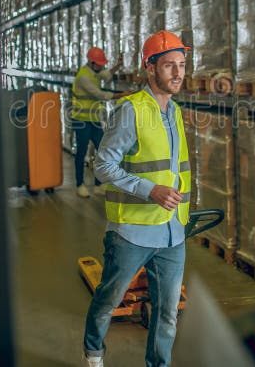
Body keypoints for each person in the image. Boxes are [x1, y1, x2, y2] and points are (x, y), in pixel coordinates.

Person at [83, 30, 191, 367]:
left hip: (172, 231)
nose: (178, 73)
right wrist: (150, 190)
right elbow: (102, 165)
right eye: (169, 66)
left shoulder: (174, 111)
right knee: (108, 300)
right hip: (132, 231)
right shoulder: (130, 110)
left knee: (167, 313)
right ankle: (93, 353)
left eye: (183, 65)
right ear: (151, 68)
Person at [71, 47, 131, 198]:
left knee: (102, 150)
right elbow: (100, 94)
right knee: (82, 151)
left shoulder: (94, 73)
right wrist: (123, 94)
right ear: (91, 62)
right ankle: (80, 185)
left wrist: (117, 66)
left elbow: (105, 75)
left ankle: (98, 184)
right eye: (99, 64)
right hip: (81, 120)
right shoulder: (84, 77)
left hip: (93, 120)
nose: (102, 67)